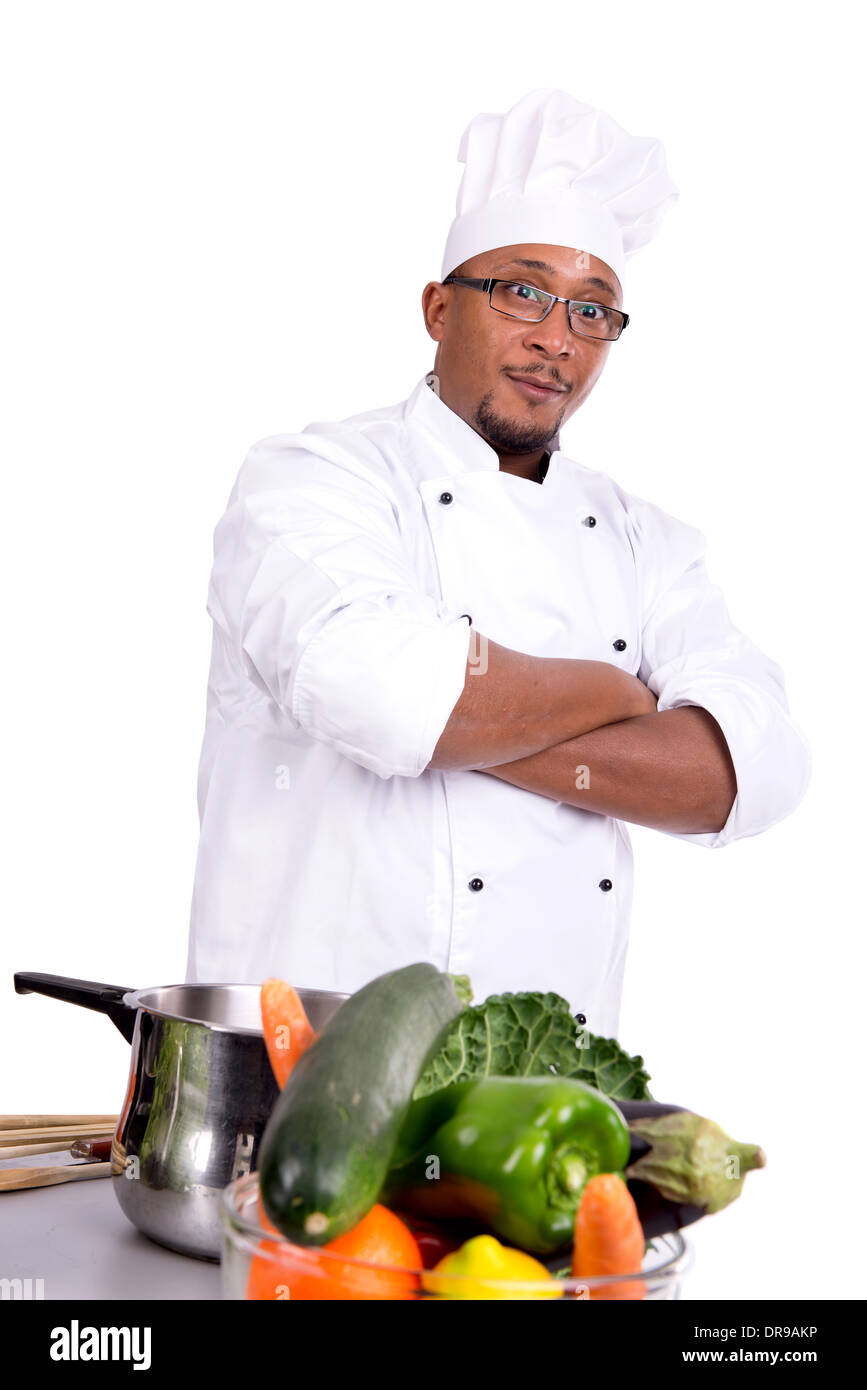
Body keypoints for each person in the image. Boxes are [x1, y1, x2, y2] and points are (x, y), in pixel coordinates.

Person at [184, 89, 811, 1039]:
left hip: (535, 1102)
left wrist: (470, 725)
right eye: (523, 290)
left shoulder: (648, 541)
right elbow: (386, 694)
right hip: (295, 1080)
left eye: (594, 311)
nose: (557, 337)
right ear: (439, 308)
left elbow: (746, 772)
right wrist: (620, 690)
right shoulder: (311, 481)